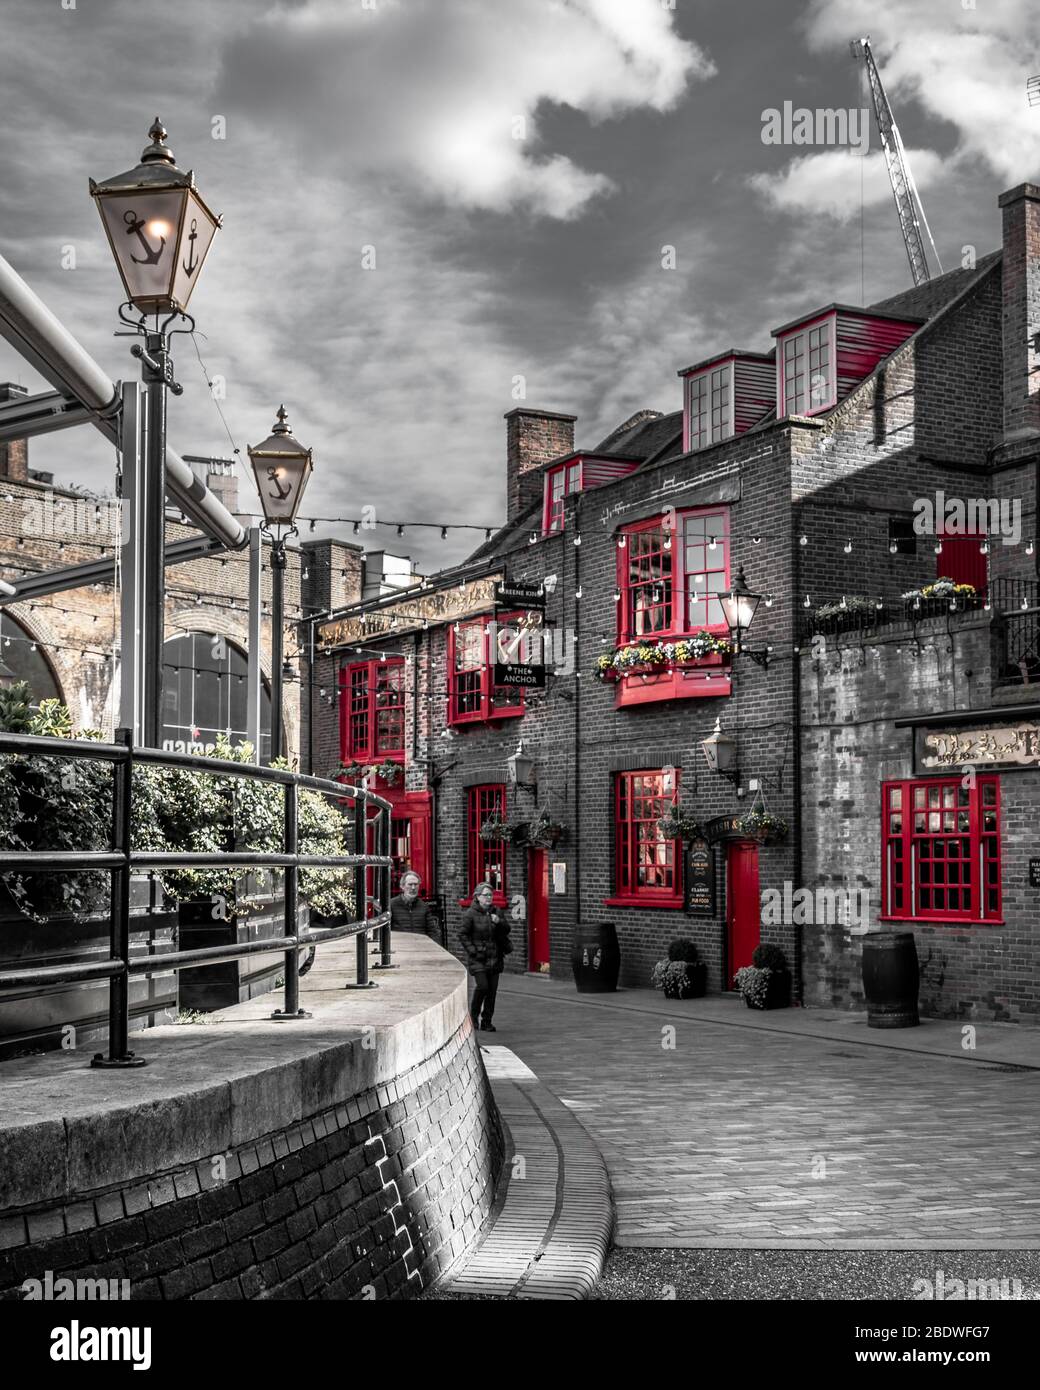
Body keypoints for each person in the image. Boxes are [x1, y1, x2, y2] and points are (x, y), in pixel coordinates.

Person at [458, 881, 512, 1032]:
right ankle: (473, 1017)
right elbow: (462, 934)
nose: (489, 898)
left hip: (495, 957)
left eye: (491, 895)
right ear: (477, 897)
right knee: (483, 986)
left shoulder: (497, 911)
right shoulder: (470, 914)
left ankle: (487, 1021)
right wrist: (473, 951)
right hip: (479, 958)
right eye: (485, 895)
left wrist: (499, 921)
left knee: (492, 992)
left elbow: (507, 929)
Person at [389, 870, 435, 936]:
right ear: (402, 886)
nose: (413, 888)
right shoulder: (391, 905)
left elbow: (433, 931)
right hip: (400, 944)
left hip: (420, 944)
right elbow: (385, 931)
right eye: (410, 884)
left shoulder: (424, 906)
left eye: (416, 884)